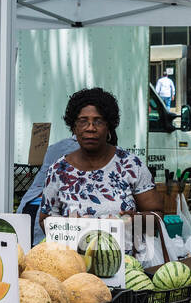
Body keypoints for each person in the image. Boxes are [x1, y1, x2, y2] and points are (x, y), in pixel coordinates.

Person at [38, 88, 162, 228]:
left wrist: (135, 220)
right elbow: (45, 220)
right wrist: (69, 225)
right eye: (83, 121)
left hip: (126, 249)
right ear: (74, 128)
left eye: (98, 121)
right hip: (74, 250)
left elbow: (157, 216)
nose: (90, 128)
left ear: (109, 126)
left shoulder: (131, 165)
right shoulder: (58, 171)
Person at [17, 134, 78, 244]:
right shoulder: (81, 149)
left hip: (29, 204)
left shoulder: (55, 147)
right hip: (46, 211)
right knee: (42, 255)